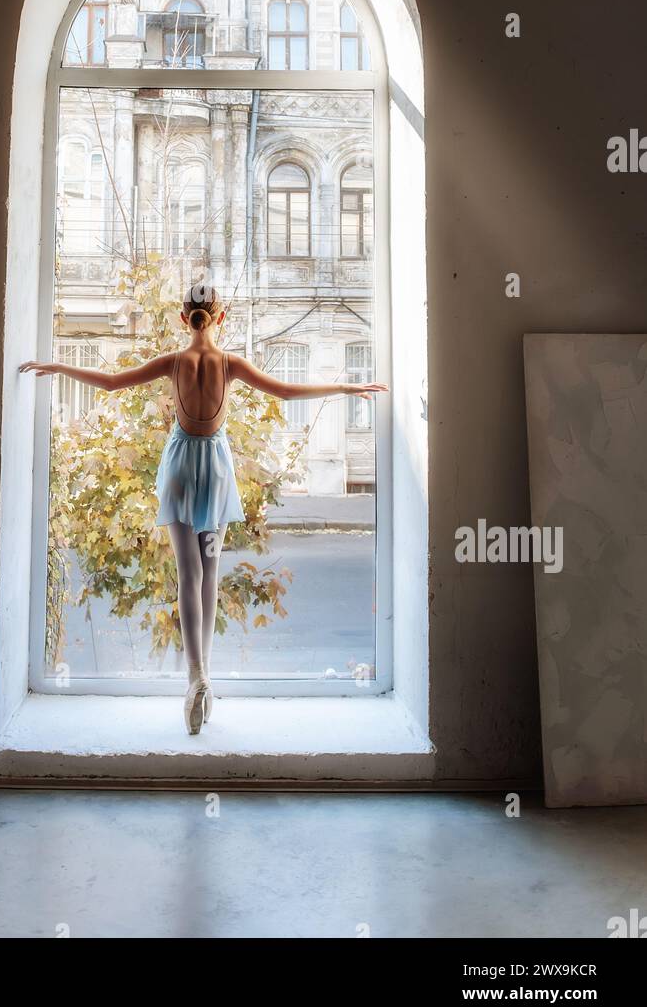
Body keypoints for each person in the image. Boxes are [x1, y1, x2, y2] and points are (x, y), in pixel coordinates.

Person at [20, 285, 388, 735]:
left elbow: (114, 382)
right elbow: (287, 392)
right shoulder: (229, 363)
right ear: (221, 316)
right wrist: (345, 385)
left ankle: (194, 676)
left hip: (178, 468)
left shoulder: (175, 362)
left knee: (187, 574)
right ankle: (206, 677)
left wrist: (58, 366)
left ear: (183, 318)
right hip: (214, 469)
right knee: (209, 574)